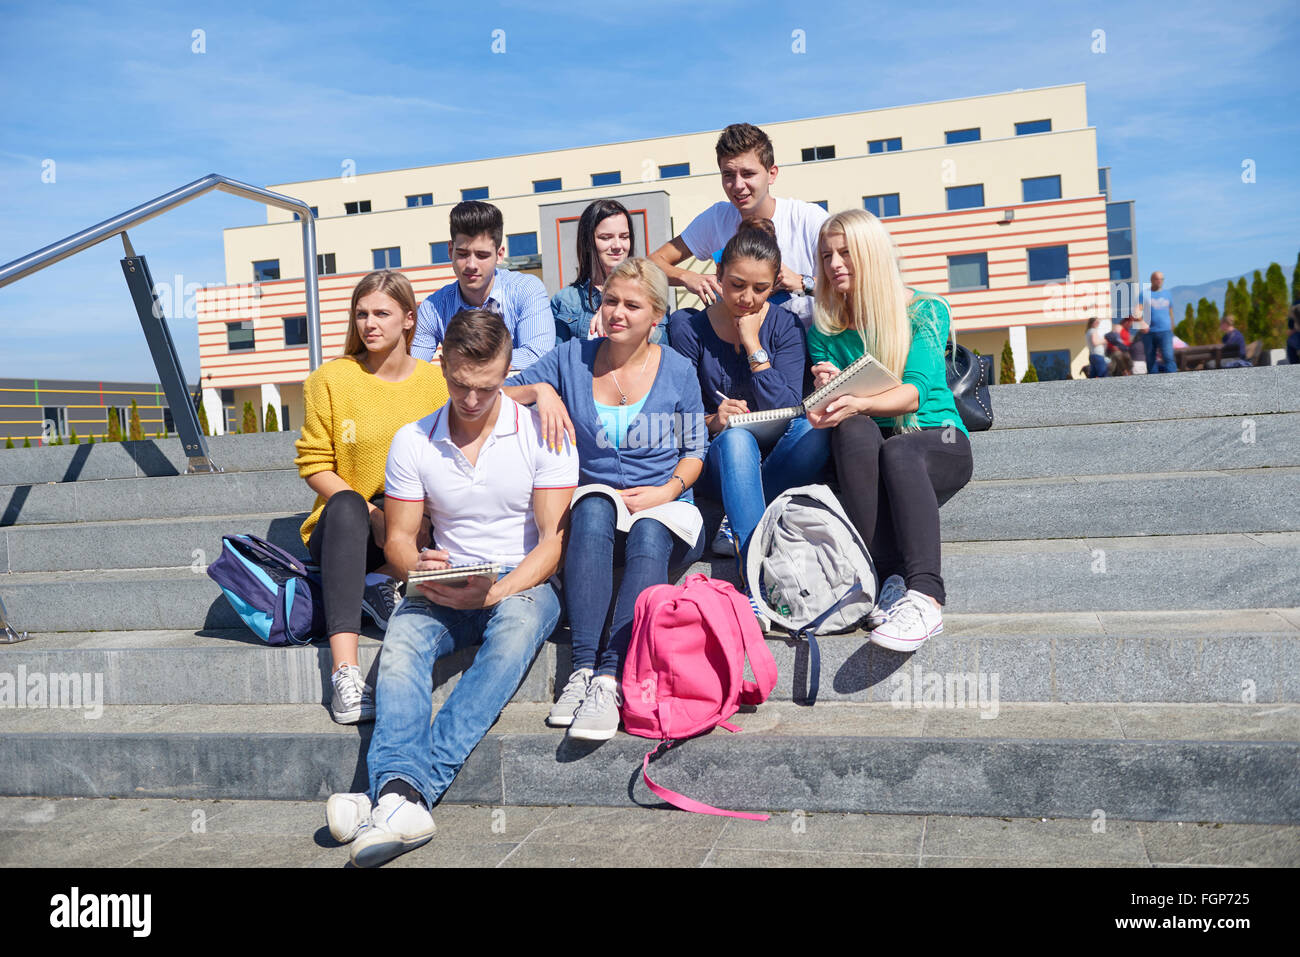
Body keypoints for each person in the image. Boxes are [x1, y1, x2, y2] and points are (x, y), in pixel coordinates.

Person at [325, 309, 579, 868]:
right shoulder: (413, 440)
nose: (470, 399)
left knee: (512, 638)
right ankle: (399, 800)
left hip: (522, 581)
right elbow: (397, 542)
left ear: (508, 371)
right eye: (460, 384)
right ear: (443, 367)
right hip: (440, 581)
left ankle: (396, 794)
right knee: (399, 652)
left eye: (485, 388)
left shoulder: (544, 430)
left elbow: (551, 545)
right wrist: (418, 565)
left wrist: (494, 591)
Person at [504, 258, 708, 741]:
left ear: (656, 315)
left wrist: (666, 490)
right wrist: (542, 392)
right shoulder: (572, 356)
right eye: (611, 300)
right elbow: (496, 393)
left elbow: (695, 449)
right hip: (598, 513)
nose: (617, 312)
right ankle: (582, 672)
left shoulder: (678, 369)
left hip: (666, 505)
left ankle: (612, 677)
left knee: (649, 527)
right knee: (592, 505)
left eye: (632, 305)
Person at [805, 209, 973, 651]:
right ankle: (887, 578)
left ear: (871, 255)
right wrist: (828, 395)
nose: (834, 263)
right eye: (826, 255)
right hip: (873, 443)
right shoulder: (826, 326)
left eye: (846, 253)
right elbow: (843, 410)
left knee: (898, 451)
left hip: (938, 438)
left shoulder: (926, 310)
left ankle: (926, 596)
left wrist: (857, 400)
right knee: (853, 431)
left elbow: (914, 394)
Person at [294, 270, 449, 724]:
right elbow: (314, 464)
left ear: (408, 318)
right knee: (344, 506)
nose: (369, 324)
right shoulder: (330, 379)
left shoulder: (437, 383)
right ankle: (345, 673)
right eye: (361, 314)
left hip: (415, 520)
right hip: (346, 528)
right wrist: (373, 515)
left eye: (381, 313)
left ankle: (379, 580)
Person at [668, 218, 830, 563]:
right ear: (719, 271)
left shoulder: (784, 324)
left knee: (816, 426)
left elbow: (787, 406)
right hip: (717, 458)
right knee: (736, 438)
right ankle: (755, 567)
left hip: (776, 455)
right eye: (736, 284)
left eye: (760, 289)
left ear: (773, 285)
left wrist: (753, 345)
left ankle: (743, 511)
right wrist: (714, 420)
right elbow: (676, 417)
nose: (746, 298)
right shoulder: (688, 328)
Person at [649, 123, 829, 325]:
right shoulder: (716, 218)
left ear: (772, 174)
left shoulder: (808, 219)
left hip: (806, 348)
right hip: (738, 347)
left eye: (748, 174)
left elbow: (856, 282)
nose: (737, 185)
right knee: (682, 321)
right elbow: (652, 263)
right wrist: (688, 277)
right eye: (728, 175)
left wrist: (802, 282)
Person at [410, 200, 554, 368]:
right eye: (463, 254)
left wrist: (465, 365)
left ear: (499, 255)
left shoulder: (526, 290)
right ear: (450, 251)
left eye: (482, 255)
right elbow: (414, 369)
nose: (471, 264)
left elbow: (537, 357)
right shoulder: (432, 307)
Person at [551, 199, 662, 346]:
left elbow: (665, 351)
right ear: (587, 242)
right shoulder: (565, 301)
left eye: (624, 237)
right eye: (606, 238)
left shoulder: (652, 293)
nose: (617, 245)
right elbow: (557, 360)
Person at [1139, 271, 1175, 374]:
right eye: (1157, 279)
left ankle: (1173, 380)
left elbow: (1170, 311)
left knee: (1168, 356)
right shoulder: (1145, 294)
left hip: (1165, 331)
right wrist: (1142, 322)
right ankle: (1153, 384)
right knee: (1150, 359)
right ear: (1151, 280)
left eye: (1161, 279)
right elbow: (1137, 311)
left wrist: (1172, 326)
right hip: (1149, 332)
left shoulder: (1167, 294)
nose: (1159, 281)